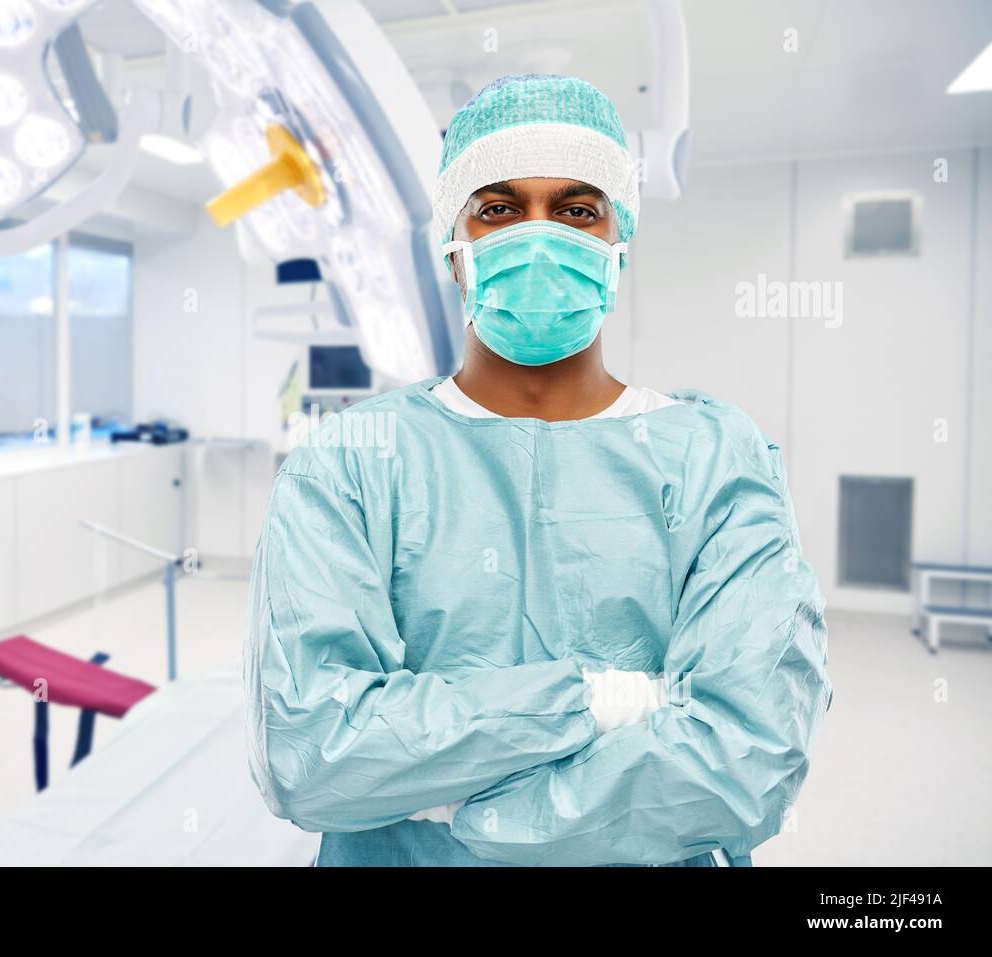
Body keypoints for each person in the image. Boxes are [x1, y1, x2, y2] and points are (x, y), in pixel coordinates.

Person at [243, 73, 833, 867]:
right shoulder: (349, 463)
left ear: (617, 248)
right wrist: (608, 701)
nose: (539, 234)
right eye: (498, 208)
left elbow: (743, 761)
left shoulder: (717, 461)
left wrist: (445, 796)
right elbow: (311, 753)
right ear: (455, 251)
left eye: (576, 209)